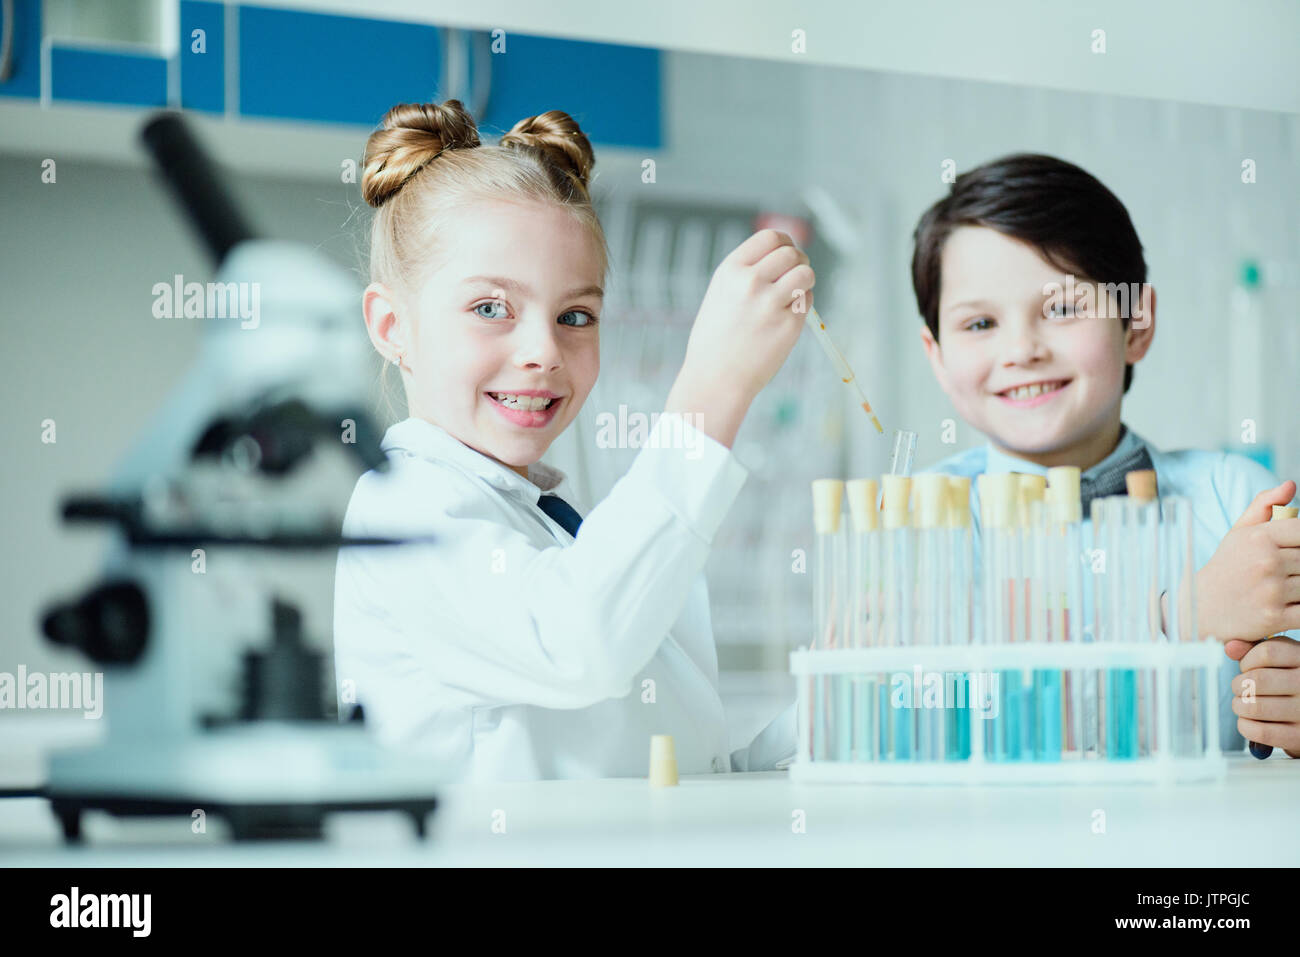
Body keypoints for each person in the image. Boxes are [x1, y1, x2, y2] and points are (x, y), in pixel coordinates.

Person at [333, 99, 805, 781]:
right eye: (491, 308)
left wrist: (841, 706)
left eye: (575, 314)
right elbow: (581, 644)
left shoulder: (560, 531)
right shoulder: (401, 507)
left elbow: (692, 773)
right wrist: (713, 393)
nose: (543, 350)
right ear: (391, 323)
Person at [911, 153, 1300, 757]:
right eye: (981, 322)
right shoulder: (914, 520)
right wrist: (1182, 615)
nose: (1021, 350)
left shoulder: (1235, 497)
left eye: (1064, 308)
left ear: (1136, 322)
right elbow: (927, 724)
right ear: (936, 354)